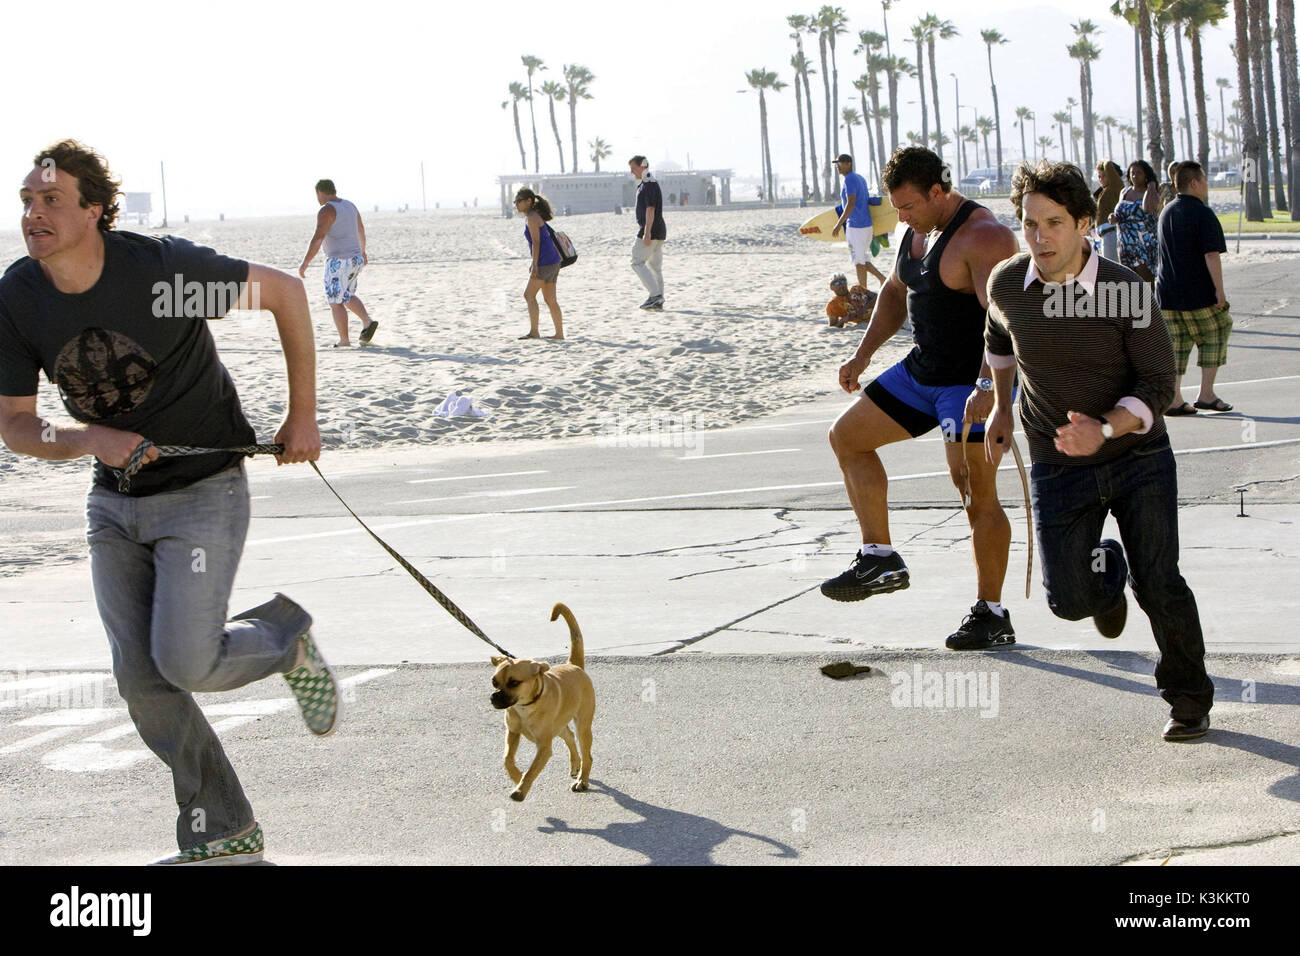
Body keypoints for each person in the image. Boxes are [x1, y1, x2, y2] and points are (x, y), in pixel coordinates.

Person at [0, 140, 338, 863]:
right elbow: (17, 426)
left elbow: (284, 292)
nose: (33, 213)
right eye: (27, 199)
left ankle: (286, 641)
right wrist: (91, 438)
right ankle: (224, 824)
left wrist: (300, 415)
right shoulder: (18, 296)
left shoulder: (160, 274)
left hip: (201, 492)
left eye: (50, 199)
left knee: (186, 664)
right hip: (114, 505)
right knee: (140, 678)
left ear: (94, 210)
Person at [984, 160, 1214, 742]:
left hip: (1137, 457)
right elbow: (997, 342)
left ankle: (1188, 698)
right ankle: (1103, 576)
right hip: (1059, 462)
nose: (1040, 237)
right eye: (1030, 223)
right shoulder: (1007, 283)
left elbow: (1160, 384)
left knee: (1159, 581)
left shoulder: (1126, 291)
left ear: (1086, 223)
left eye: (1054, 223)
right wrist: (998, 405)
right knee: (1068, 602)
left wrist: (1106, 429)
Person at [823, 146, 1022, 649]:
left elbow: (1006, 321)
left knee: (973, 489)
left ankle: (991, 613)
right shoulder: (916, 231)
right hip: (921, 371)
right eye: (897, 208)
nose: (902, 217)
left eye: (909, 206)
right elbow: (893, 293)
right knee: (847, 437)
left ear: (940, 190)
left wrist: (985, 388)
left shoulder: (985, 236)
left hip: (968, 382)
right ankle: (880, 558)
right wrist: (863, 356)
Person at [1156, 160, 1233, 415]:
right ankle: (1206, 393)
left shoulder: (1166, 211)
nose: (1207, 185)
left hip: (1166, 293)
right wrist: (1219, 292)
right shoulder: (1203, 213)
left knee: (1177, 343)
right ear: (1194, 182)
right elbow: (1211, 255)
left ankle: (1175, 398)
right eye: (1204, 179)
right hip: (1197, 293)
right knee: (1219, 328)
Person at [299, 179, 377, 347]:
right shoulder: (349, 206)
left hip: (339, 261)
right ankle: (365, 323)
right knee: (345, 295)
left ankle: (349, 335)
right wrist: (362, 252)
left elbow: (318, 237)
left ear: (320, 192)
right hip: (355, 258)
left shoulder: (327, 210)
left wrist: (306, 262)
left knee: (336, 300)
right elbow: (361, 230)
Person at [830, 153, 888, 291]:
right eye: (837, 164)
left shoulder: (849, 180)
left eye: (840, 164)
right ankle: (881, 280)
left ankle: (864, 292)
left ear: (848, 164)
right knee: (863, 259)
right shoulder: (860, 178)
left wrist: (838, 224)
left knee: (858, 262)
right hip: (866, 225)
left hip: (856, 226)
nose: (837, 167)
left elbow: (851, 203)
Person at [513, 187, 564, 340]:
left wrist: (534, 264)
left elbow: (536, 242)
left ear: (528, 201)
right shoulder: (534, 215)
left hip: (545, 261)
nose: (516, 204)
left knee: (529, 295)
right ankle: (559, 334)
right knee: (550, 299)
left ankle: (534, 331)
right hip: (553, 260)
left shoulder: (532, 217)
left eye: (518, 201)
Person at [1111, 160, 1159, 281]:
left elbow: (1148, 208)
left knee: (1146, 283)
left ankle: (1149, 301)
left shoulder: (1150, 192)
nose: (1135, 176)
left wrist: (1152, 184)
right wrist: (1113, 217)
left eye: (1139, 173)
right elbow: (1119, 213)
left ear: (1146, 175)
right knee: (1128, 283)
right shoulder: (1124, 192)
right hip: (1125, 244)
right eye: (1132, 173)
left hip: (1143, 245)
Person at [628, 155, 666, 310]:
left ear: (642, 166)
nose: (632, 172)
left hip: (651, 230)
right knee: (654, 266)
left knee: (636, 261)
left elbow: (650, 209)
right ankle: (658, 298)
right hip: (659, 230)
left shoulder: (648, 184)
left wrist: (647, 232)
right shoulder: (648, 183)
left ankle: (655, 295)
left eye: (634, 168)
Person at [1093, 160, 1124, 261]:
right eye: (1099, 176)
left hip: (1111, 233)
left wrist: (1104, 162)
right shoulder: (1103, 191)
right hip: (1104, 235)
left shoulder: (1115, 187)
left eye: (1104, 176)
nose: (1101, 179)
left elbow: (1109, 166)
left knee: (1111, 270)